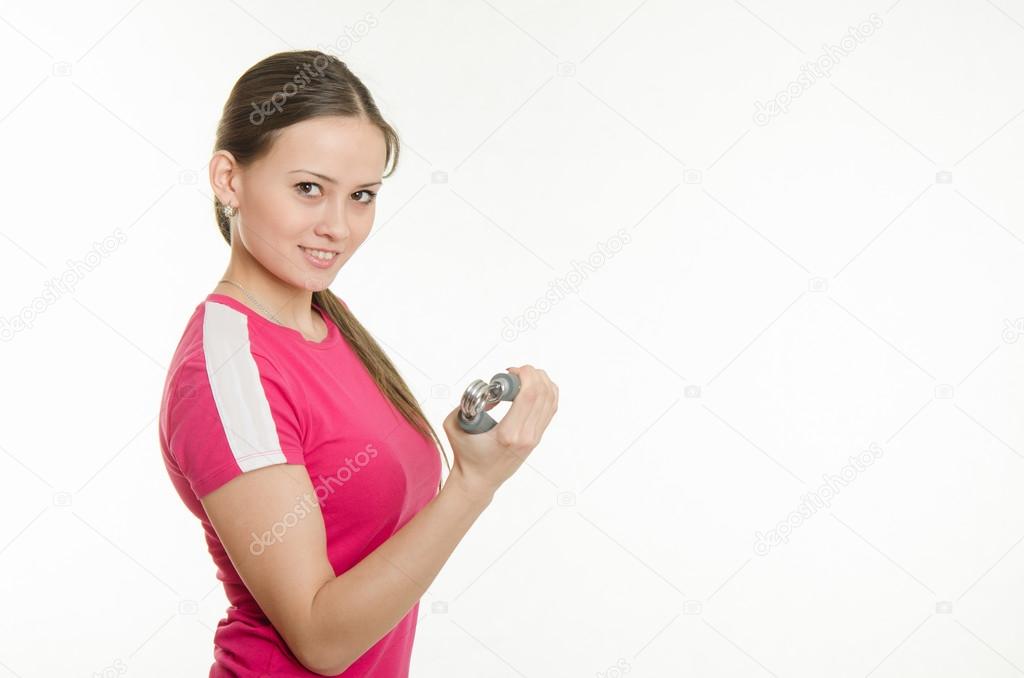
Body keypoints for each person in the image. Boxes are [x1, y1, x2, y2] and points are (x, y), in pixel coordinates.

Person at [157, 50, 559, 677]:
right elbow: (320, 638)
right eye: (308, 188)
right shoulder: (231, 369)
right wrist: (474, 483)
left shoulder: (327, 318)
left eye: (362, 195)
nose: (338, 227)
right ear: (229, 179)